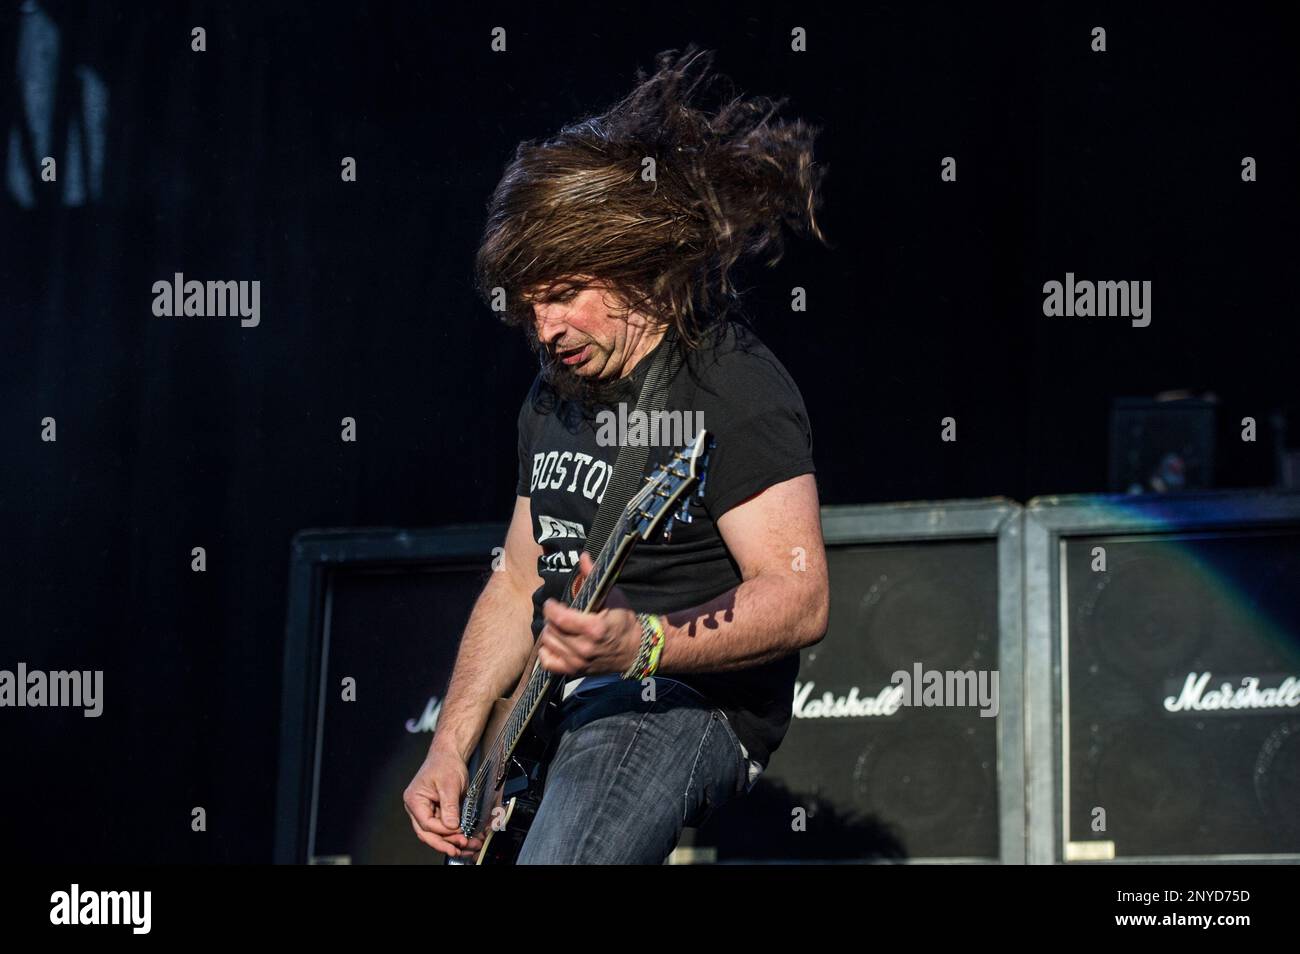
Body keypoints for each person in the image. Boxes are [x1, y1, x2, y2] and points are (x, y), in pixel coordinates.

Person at [403, 45, 832, 864]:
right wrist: (452, 745)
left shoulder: (729, 383)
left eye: (565, 296)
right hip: (554, 713)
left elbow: (801, 598)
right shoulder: (551, 396)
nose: (547, 330)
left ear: (641, 273)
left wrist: (643, 643)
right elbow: (520, 577)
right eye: (531, 311)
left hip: (680, 703)